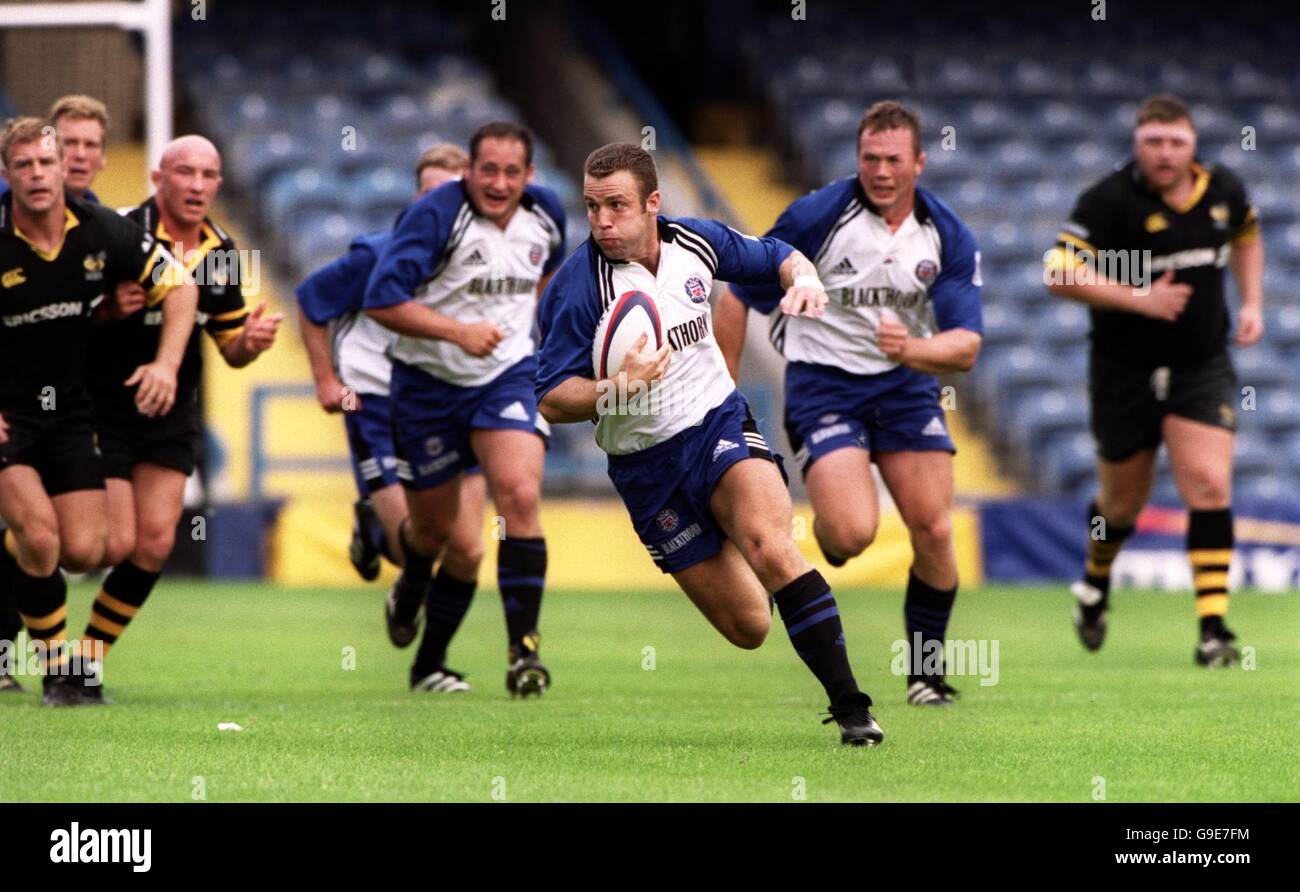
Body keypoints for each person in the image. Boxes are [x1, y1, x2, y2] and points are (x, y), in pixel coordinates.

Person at [536, 142, 883, 745]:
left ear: (652, 203)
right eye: (592, 208)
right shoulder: (578, 286)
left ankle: (853, 710)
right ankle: (778, 587)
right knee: (749, 626)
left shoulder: (694, 243)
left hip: (715, 422)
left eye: (616, 206)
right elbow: (550, 397)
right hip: (646, 468)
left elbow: (775, 256)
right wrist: (616, 388)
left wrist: (804, 278)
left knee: (772, 547)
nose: (603, 222)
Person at [715, 100, 983, 706]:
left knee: (936, 529)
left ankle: (925, 673)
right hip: (825, 384)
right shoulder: (817, 216)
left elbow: (966, 346)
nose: (881, 171)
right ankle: (835, 543)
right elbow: (738, 291)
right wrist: (723, 393)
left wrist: (913, 349)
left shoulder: (946, 233)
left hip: (906, 384)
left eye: (893, 159)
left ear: (918, 161)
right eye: (870, 158)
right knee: (852, 533)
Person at [1045, 94, 1263, 666]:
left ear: (1192, 145)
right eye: (1154, 142)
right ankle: (1095, 584)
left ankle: (1213, 629)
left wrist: (1253, 303)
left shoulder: (1223, 190)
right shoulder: (1109, 200)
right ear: (1138, 145)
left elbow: (1247, 235)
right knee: (1121, 505)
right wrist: (1139, 297)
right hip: (1124, 371)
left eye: (1176, 142)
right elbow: (1057, 271)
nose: (1165, 154)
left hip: (1202, 366)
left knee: (1209, 485)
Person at [365, 123, 564, 697]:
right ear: (469, 171)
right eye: (488, 170)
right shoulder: (434, 217)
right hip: (426, 386)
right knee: (433, 532)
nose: (499, 183)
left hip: (507, 375)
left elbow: (548, 276)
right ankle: (410, 583)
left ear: (529, 176)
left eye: (512, 172)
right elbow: (381, 299)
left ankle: (522, 652)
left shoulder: (547, 214)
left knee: (520, 496)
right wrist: (457, 332)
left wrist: (535, 335)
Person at [0, 117, 194, 705]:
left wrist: (165, 364)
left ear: (64, 170)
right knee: (39, 536)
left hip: (68, 412)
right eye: (24, 165)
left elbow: (181, 287)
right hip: (7, 415)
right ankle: (62, 673)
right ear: (8, 175)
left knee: (85, 550)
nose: (37, 174)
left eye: (46, 163)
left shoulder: (100, 229)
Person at [76, 136, 279, 695]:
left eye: (207, 175)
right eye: (184, 172)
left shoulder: (221, 252)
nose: (195, 185)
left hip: (169, 412)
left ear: (218, 183)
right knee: (108, 544)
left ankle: (83, 662)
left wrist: (252, 342)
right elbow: (65, 315)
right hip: (102, 406)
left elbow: (230, 347)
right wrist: (106, 309)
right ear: (157, 176)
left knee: (155, 543)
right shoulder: (116, 232)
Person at [297, 144, 498, 692]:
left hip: (453, 404)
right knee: (417, 537)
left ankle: (428, 666)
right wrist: (326, 382)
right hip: (376, 404)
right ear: (416, 199)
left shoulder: (486, 264)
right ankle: (377, 530)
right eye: (431, 192)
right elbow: (312, 301)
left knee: (469, 547)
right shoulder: (378, 255)